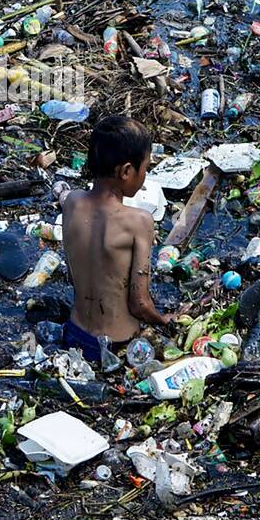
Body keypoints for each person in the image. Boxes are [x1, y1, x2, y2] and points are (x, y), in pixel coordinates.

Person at [61, 115, 175, 362]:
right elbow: (140, 305)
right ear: (126, 171)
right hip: (116, 347)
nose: (145, 174)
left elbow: (72, 275)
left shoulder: (71, 202)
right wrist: (165, 321)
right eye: (145, 167)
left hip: (74, 334)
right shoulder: (139, 221)